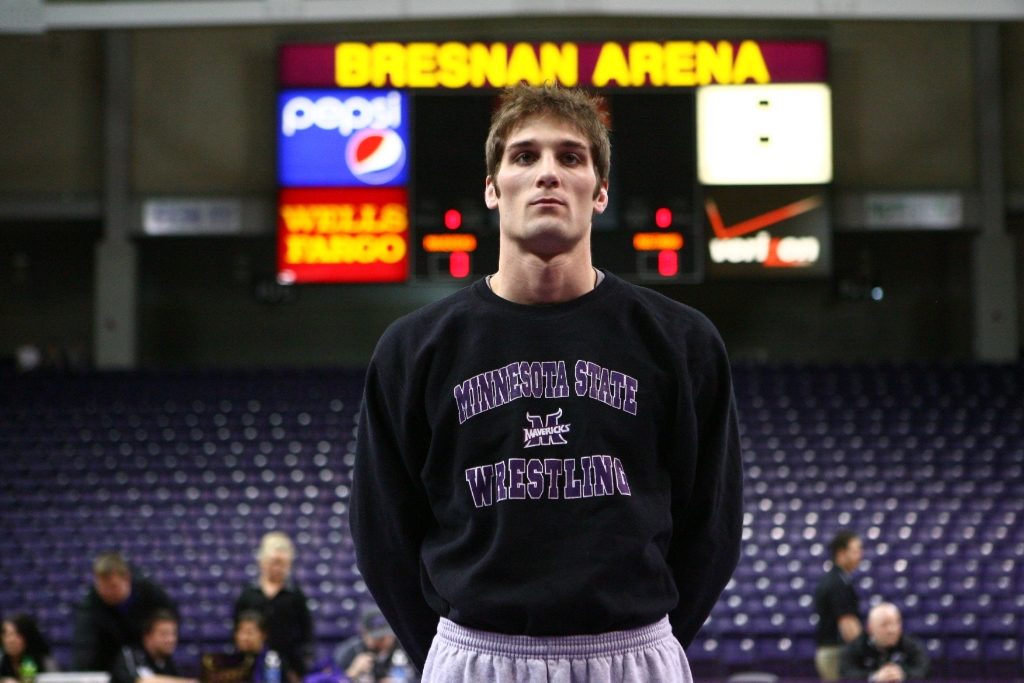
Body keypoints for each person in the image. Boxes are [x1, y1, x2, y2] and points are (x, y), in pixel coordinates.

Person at [351, 83, 743, 683]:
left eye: (572, 157)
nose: (548, 175)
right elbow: (383, 540)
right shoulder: (414, 348)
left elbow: (710, 534)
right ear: (492, 186)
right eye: (525, 156)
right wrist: (451, 651)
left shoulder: (682, 342)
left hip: (633, 655)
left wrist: (641, 641)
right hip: (476, 657)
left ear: (600, 190)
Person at [71, 553, 178, 673]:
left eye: (113, 587)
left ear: (127, 579)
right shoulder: (90, 606)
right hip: (108, 663)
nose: (108, 592)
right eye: (102, 587)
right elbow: (84, 646)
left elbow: (170, 619)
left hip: (147, 660)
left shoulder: (150, 594)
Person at [234, 533, 313, 682]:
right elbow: (236, 629)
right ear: (262, 562)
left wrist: (298, 669)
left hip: (288, 664)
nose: (276, 568)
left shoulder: (295, 595)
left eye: (281, 563)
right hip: (251, 664)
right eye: (272, 562)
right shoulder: (248, 594)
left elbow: (305, 633)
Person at [813, 530, 865, 681]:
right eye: (855, 550)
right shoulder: (838, 583)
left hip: (830, 651)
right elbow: (847, 623)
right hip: (835, 652)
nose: (860, 555)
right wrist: (863, 653)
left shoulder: (836, 579)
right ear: (841, 553)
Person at [840, 603, 928, 681]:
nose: (891, 630)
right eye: (884, 625)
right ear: (870, 628)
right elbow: (847, 673)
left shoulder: (911, 644)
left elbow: (924, 670)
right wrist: (873, 677)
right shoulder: (856, 647)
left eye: (895, 623)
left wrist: (903, 675)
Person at [110, 610, 195, 683]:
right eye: (164, 634)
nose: (170, 639)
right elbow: (140, 681)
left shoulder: (171, 664)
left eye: (173, 634)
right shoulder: (130, 655)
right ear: (147, 637)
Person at [333, 608, 413, 683]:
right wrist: (352, 673)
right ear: (364, 633)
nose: (385, 640)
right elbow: (329, 678)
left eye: (387, 634)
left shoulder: (408, 648)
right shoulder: (349, 652)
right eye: (378, 638)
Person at [0, 614, 59, 682]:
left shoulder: (45, 662)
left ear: (28, 636)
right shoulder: (1, 661)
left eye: (17, 634)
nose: (10, 640)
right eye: (6, 634)